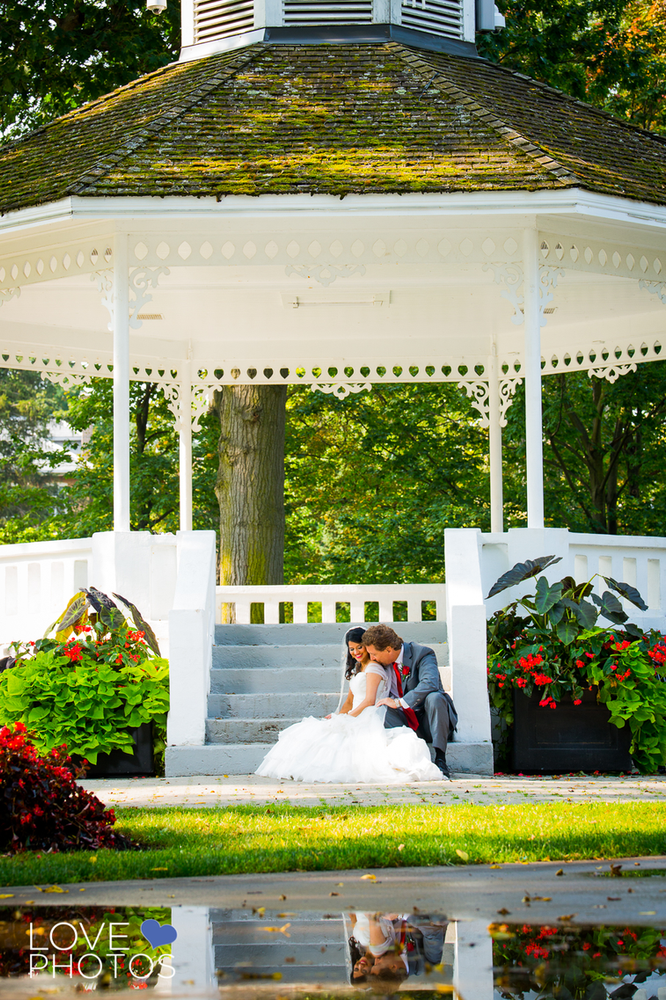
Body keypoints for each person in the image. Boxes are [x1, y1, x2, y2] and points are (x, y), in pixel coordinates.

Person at [254, 626, 443, 783]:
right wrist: (339, 715)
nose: (357, 652)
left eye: (361, 648)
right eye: (352, 649)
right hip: (362, 711)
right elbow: (350, 701)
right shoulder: (361, 668)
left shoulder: (379, 666)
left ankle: (440, 757)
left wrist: (346, 718)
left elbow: (370, 700)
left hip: (379, 712)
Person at [362, 623, 457, 779]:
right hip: (403, 722)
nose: (372, 658)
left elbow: (430, 683)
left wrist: (399, 702)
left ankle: (440, 758)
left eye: (373, 654)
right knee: (379, 709)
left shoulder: (423, 654)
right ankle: (400, 758)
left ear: (388, 650)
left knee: (435, 697)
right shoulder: (381, 663)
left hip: (429, 720)